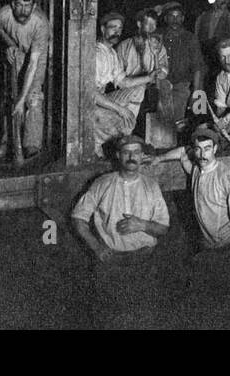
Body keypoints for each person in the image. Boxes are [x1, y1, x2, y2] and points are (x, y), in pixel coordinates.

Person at [71, 135, 171, 327]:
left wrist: (142, 225)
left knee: (143, 319)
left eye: (136, 152)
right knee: (108, 319)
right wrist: (97, 247)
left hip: (143, 263)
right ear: (118, 155)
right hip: (111, 265)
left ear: (142, 156)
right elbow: (78, 217)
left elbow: (163, 228)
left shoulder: (151, 186)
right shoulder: (103, 183)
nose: (131, 156)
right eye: (126, 152)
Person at [153, 125, 230, 277]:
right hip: (207, 243)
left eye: (207, 148)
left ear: (215, 149)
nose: (202, 154)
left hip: (228, 245)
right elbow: (182, 152)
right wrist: (158, 158)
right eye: (198, 149)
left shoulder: (227, 179)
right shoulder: (196, 170)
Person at [92, 12, 166, 152]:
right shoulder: (97, 53)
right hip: (90, 103)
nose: (117, 32)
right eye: (113, 28)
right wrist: (120, 110)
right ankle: (100, 144)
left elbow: (123, 82)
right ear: (103, 29)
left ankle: (126, 136)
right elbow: (91, 93)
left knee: (139, 89)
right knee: (116, 120)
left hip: (102, 99)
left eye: (119, 28)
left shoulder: (111, 52)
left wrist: (149, 77)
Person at [0, 0, 50, 161]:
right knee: (11, 95)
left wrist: (22, 99)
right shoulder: (2, 15)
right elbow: (0, 29)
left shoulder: (41, 23)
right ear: (12, 5)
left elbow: (33, 64)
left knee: (32, 98)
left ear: (34, 7)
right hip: (17, 50)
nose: (22, 10)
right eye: (19, 5)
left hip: (36, 55)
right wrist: (10, 44)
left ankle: (32, 146)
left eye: (27, 6)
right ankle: (8, 142)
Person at [158, 1, 205, 122]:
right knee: (160, 121)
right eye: (171, 16)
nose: (175, 20)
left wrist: (197, 93)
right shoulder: (158, 37)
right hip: (160, 85)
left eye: (178, 16)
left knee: (179, 122)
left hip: (182, 86)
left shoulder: (190, 38)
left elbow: (198, 67)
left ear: (183, 19)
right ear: (165, 18)